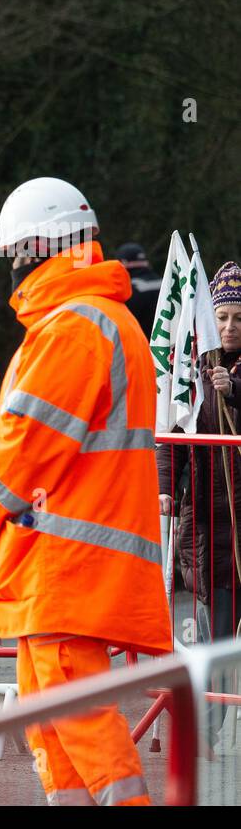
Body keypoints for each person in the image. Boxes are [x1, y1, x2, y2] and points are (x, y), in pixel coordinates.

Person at [0, 177, 172, 805]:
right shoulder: (106, 321)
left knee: (75, 716)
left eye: (17, 253)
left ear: (40, 248)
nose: (14, 268)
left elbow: (25, 449)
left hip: (65, 563)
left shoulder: (71, 327)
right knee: (52, 718)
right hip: (74, 558)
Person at [157, 260, 241, 747]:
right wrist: (166, 484)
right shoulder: (194, 369)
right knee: (218, 634)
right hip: (211, 526)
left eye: (238, 319)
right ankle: (203, 737)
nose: (229, 328)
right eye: (222, 318)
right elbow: (172, 429)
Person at [115, 242, 160, 339]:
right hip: (171, 348)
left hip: (143, 348)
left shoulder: (127, 290)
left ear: (123, 263)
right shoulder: (164, 282)